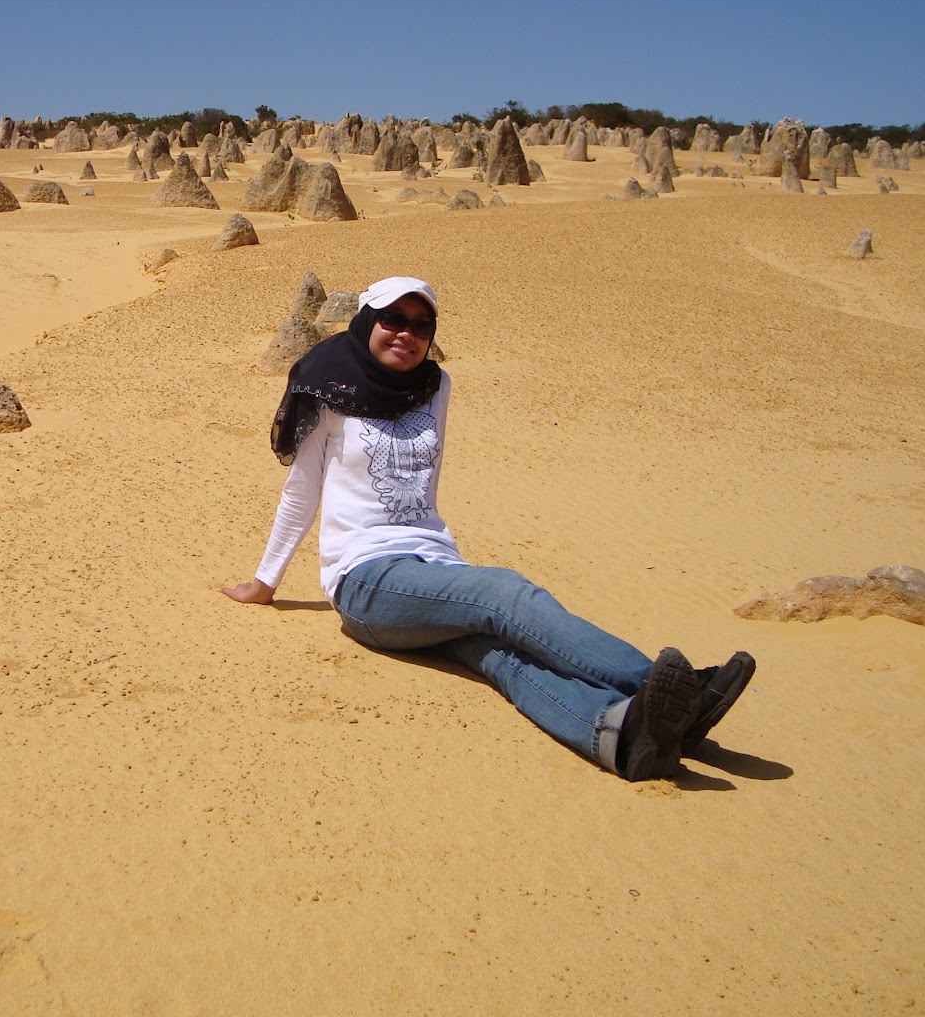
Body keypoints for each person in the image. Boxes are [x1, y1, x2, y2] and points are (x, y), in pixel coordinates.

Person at [220, 277, 754, 780]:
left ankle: (621, 735)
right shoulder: (327, 385)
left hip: (434, 568)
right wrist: (265, 582)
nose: (407, 334)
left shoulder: (434, 386)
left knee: (499, 654)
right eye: (393, 319)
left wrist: (441, 559)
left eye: (421, 325)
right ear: (366, 321)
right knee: (504, 593)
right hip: (366, 581)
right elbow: (302, 491)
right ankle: (675, 692)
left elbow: (425, 483)